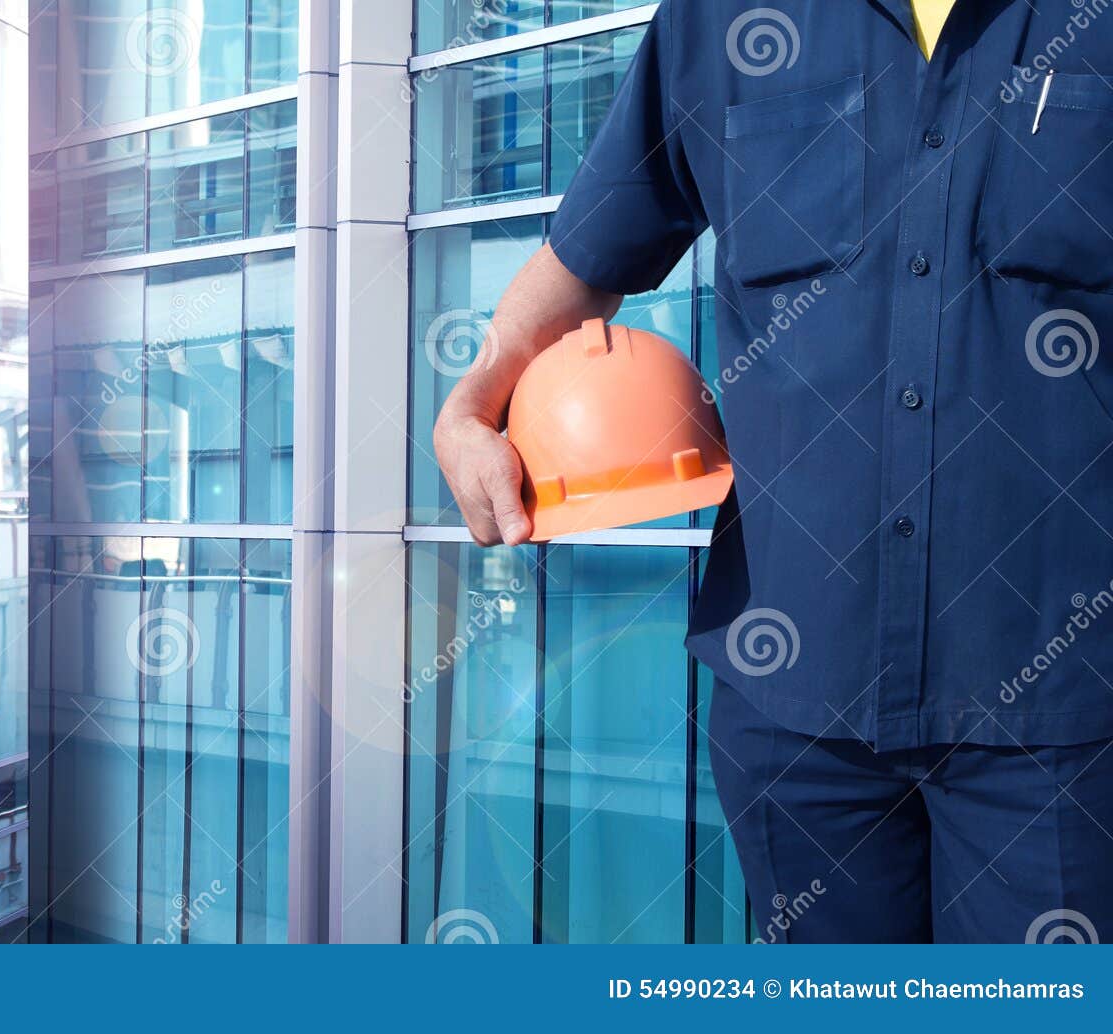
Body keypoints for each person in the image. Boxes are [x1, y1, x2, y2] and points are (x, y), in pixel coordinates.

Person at [434, 0, 1113, 943]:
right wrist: (469, 407)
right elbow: (589, 256)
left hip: (1063, 713)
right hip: (795, 705)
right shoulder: (719, 19)